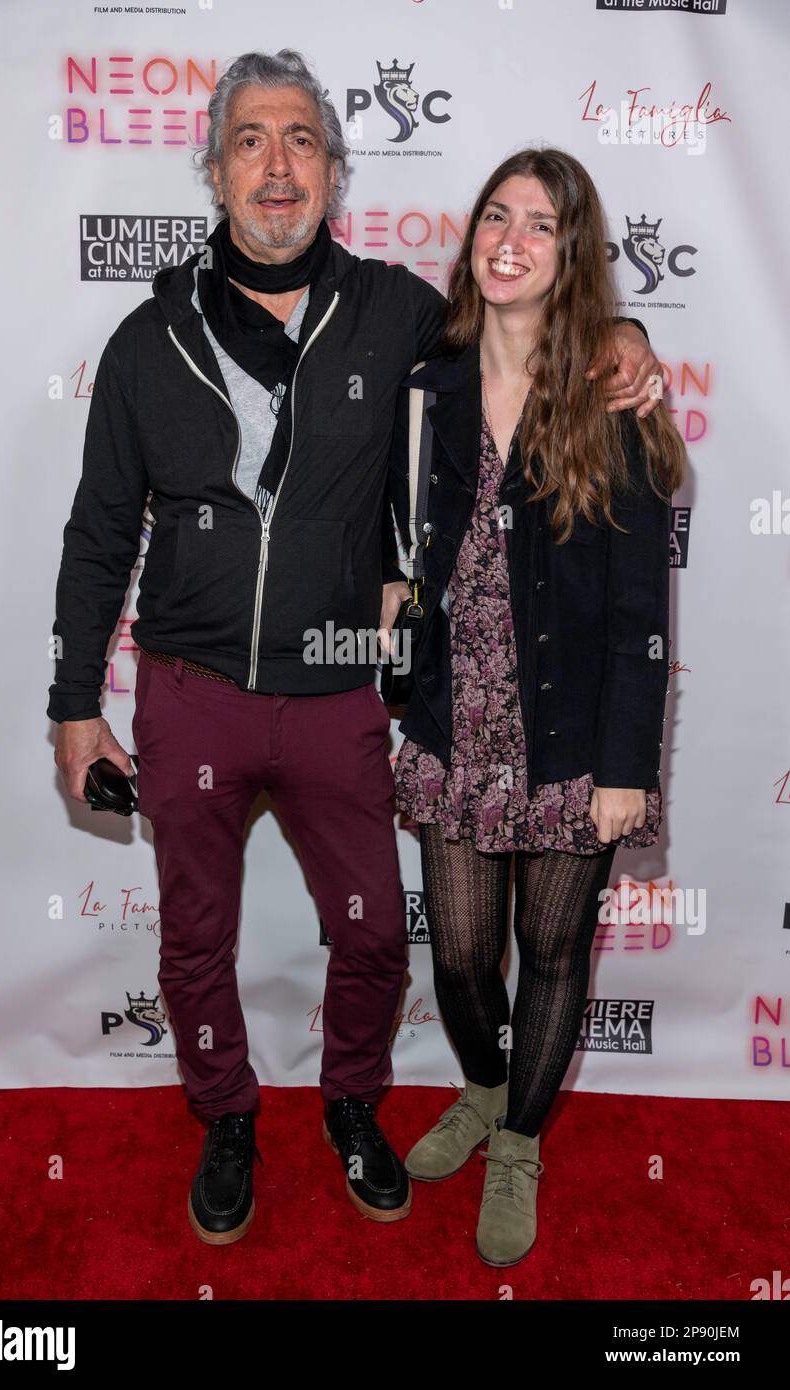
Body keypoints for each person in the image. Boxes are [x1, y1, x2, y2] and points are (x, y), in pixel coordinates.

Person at [47, 46, 664, 1248]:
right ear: (214, 168)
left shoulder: (393, 313)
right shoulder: (142, 341)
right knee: (192, 940)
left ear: (334, 169)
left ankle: (348, 1104)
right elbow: (97, 532)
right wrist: (77, 706)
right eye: (249, 141)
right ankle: (226, 1115)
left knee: (379, 933)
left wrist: (624, 334)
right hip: (190, 691)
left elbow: (526, 309)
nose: (276, 168)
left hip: (341, 694)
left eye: (300, 143)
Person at [387, 147, 686, 1267]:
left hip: (569, 739)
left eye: (541, 225)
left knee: (550, 951)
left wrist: (624, 767)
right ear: (471, 236)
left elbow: (637, 610)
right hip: (452, 728)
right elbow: (395, 554)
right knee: (462, 957)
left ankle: (515, 1139)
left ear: (571, 256)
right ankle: (478, 1081)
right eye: (494, 215)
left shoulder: (608, 401)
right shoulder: (428, 382)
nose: (509, 238)